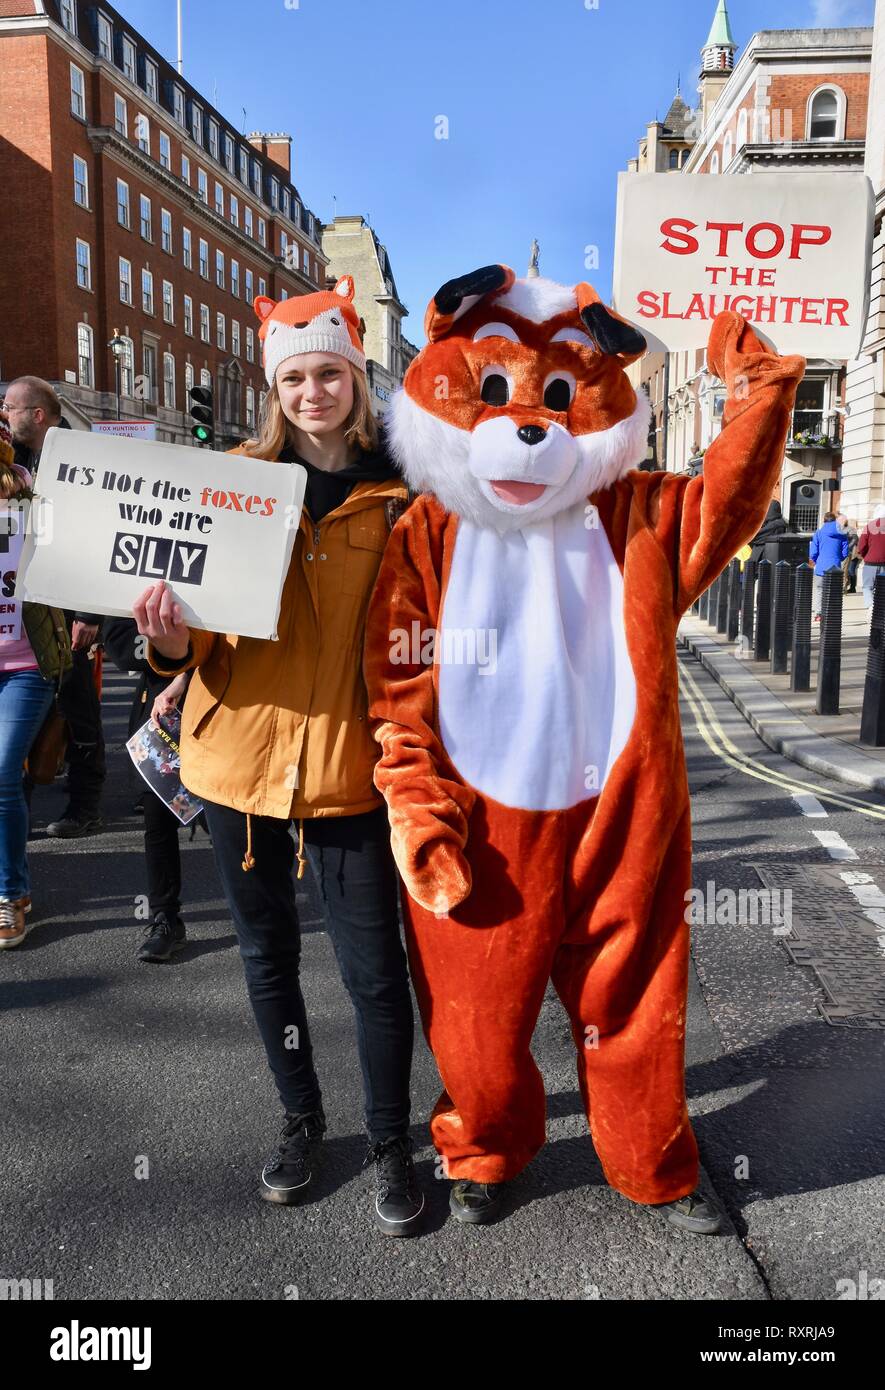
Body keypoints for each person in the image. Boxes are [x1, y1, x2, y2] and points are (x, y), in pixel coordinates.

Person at [133, 276, 423, 1235]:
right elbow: (195, 646)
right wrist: (167, 638)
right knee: (267, 962)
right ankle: (302, 1121)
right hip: (236, 770)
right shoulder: (232, 489)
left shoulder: (404, 495)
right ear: (274, 387)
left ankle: (390, 1141)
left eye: (329, 373)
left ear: (356, 377)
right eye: (294, 377)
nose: (312, 393)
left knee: (374, 973)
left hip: (353, 771)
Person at [2, 377, 106, 835]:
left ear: (37, 415)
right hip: (27, 612)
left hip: (70, 611)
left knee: (77, 710)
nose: (5, 414)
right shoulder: (16, 463)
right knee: (24, 727)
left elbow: (98, 539)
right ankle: (14, 808)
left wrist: (89, 614)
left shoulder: (86, 458)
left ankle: (84, 808)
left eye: (10, 407)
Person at [0, 413, 72, 948]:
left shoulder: (31, 501)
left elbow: (78, 555)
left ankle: (9, 893)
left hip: (26, 661)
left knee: (2, 773)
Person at [102, 618, 194, 962]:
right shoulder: (144, 578)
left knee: (232, 822)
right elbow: (122, 649)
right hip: (160, 706)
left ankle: (259, 919)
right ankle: (164, 918)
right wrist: (182, 654)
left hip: (227, 700)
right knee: (157, 819)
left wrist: (188, 660)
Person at [809, 512, 849, 621]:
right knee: (834, 591)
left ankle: (819, 614)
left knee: (819, 590)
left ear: (824, 520)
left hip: (821, 566)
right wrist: (838, 559)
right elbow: (845, 553)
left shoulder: (819, 533)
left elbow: (813, 552)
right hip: (835, 567)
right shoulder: (842, 534)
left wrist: (817, 561)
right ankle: (832, 614)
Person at [858, 503, 885, 610]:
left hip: (871, 562)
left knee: (867, 586)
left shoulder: (869, 526)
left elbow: (861, 545)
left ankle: (870, 606)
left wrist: (865, 556)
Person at [749, 498, 789, 565]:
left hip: (764, 558)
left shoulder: (776, 524)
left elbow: (754, 536)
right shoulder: (775, 523)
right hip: (763, 558)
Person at [837, 513, 859, 594]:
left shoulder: (850, 529)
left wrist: (847, 547)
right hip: (837, 553)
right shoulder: (837, 528)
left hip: (848, 553)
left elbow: (855, 539)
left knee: (847, 570)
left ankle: (846, 587)